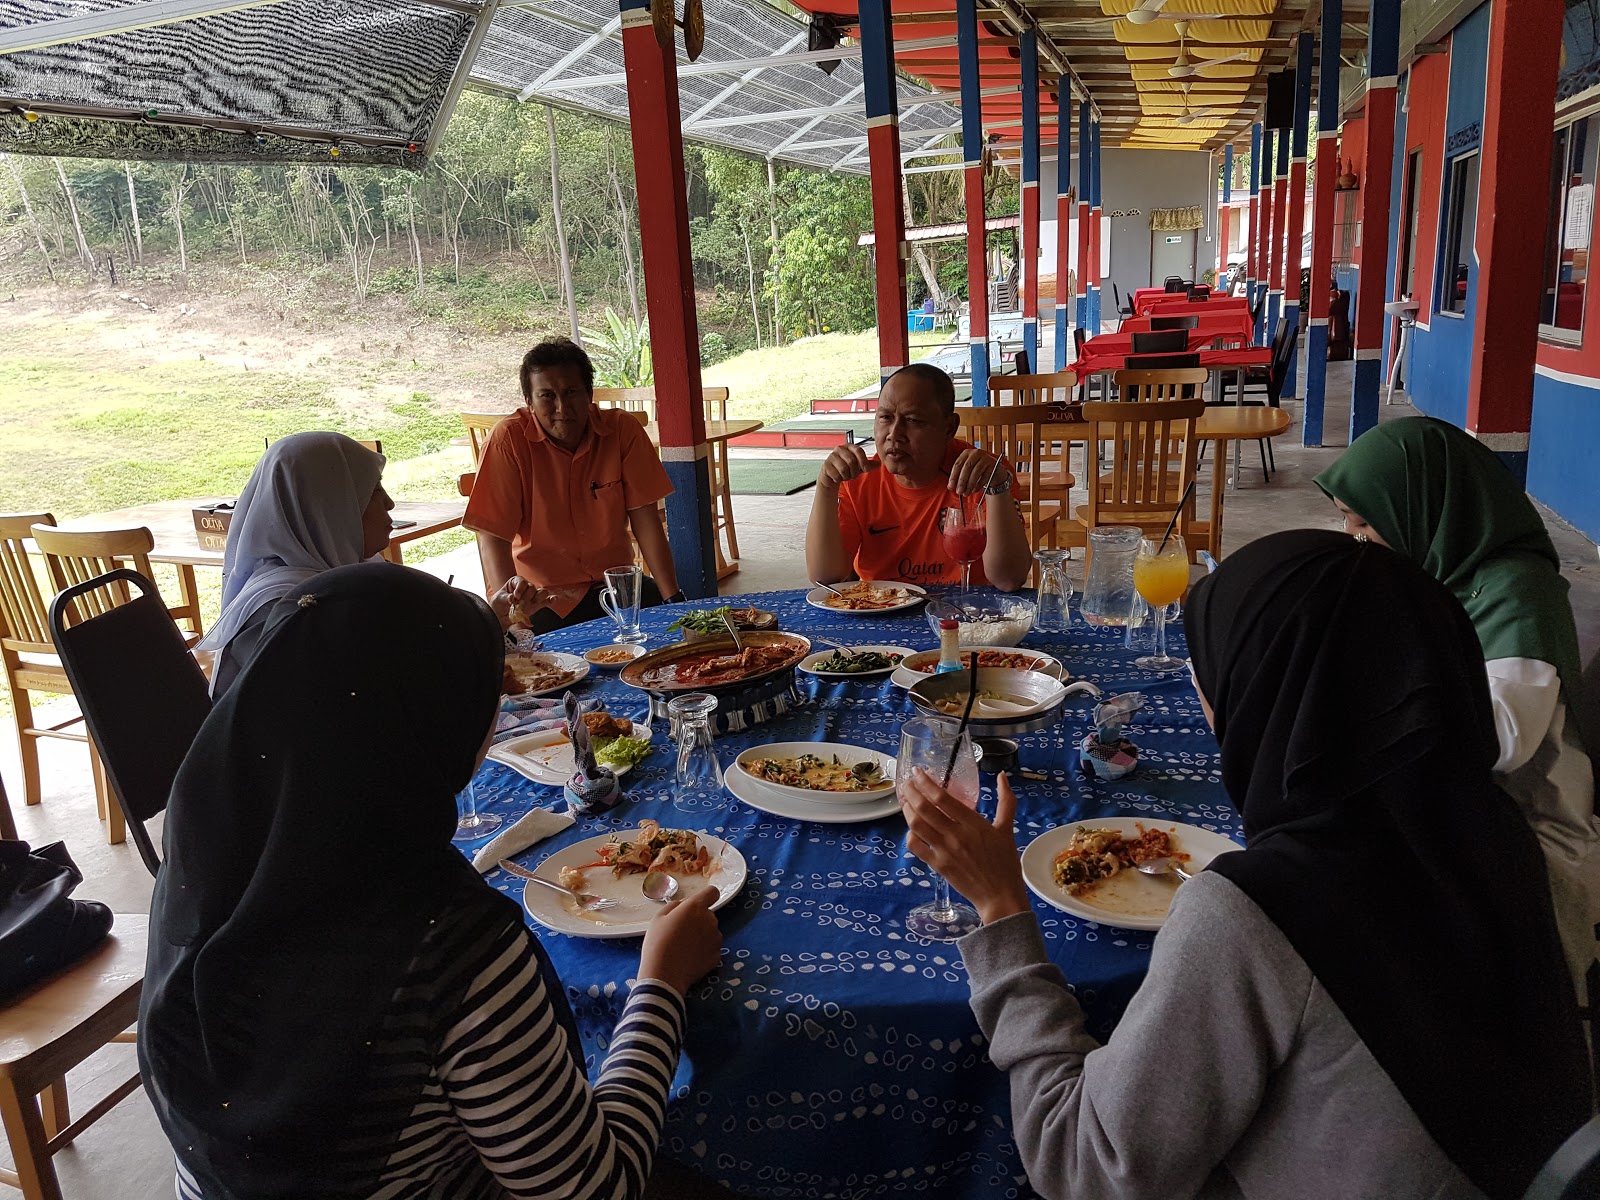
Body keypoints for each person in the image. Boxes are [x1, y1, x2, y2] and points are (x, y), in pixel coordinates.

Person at [900, 531, 1589, 1200]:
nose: (1207, 702)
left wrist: (1001, 909)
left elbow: (1084, 1165)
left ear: (1274, 695)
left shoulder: (1256, 912)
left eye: (1217, 672)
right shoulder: (1517, 851)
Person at [142, 563, 722, 1198]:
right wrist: (662, 982)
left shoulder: (203, 866)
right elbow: (592, 1187)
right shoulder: (449, 941)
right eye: (484, 699)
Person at [1315, 415, 1597, 995]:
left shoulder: (1517, 590)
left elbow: (1499, 739)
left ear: (1422, 506)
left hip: (1521, 841)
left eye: (1365, 521)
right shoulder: (1433, 572)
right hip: (1448, 806)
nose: (1355, 537)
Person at [463, 338, 683, 635]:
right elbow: (492, 537)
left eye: (571, 392)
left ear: (590, 394)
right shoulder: (508, 441)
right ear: (529, 401)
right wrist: (512, 616)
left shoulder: (621, 431)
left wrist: (673, 599)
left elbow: (646, 520)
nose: (561, 407)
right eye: (546, 396)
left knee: (673, 644)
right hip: (543, 598)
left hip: (617, 589)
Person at [196, 432, 393, 698]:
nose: (389, 503)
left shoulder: (353, 570)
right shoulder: (284, 610)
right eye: (373, 492)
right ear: (326, 505)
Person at [805, 363, 1032, 591]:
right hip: (881, 610)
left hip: (968, 614)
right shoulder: (860, 479)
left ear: (949, 428)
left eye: (913, 420)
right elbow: (825, 578)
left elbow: (1009, 579)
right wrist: (826, 486)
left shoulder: (985, 475)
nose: (894, 435)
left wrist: (998, 488)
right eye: (885, 417)